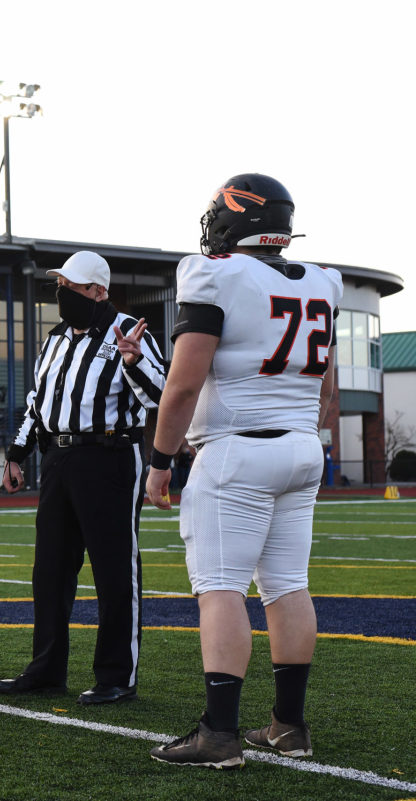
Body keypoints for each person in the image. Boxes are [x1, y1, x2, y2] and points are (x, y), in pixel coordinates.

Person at [146, 174, 342, 769]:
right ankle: (289, 727)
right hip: (302, 449)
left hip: (237, 452)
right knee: (287, 584)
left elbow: (181, 385)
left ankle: (220, 735)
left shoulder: (217, 273)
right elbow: (325, 388)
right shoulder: (321, 282)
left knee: (221, 587)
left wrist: (159, 464)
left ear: (233, 218)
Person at [0, 250, 166, 706]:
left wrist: (133, 363)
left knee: (114, 570)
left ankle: (117, 675)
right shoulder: (54, 340)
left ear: (98, 291)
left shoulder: (129, 331)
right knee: (49, 571)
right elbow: (39, 401)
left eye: (71, 287)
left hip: (110, 455)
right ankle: (46, 668)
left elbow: (163, 396)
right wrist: (17, 452)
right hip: (58, 457)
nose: (61, 293)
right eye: (60, 286)